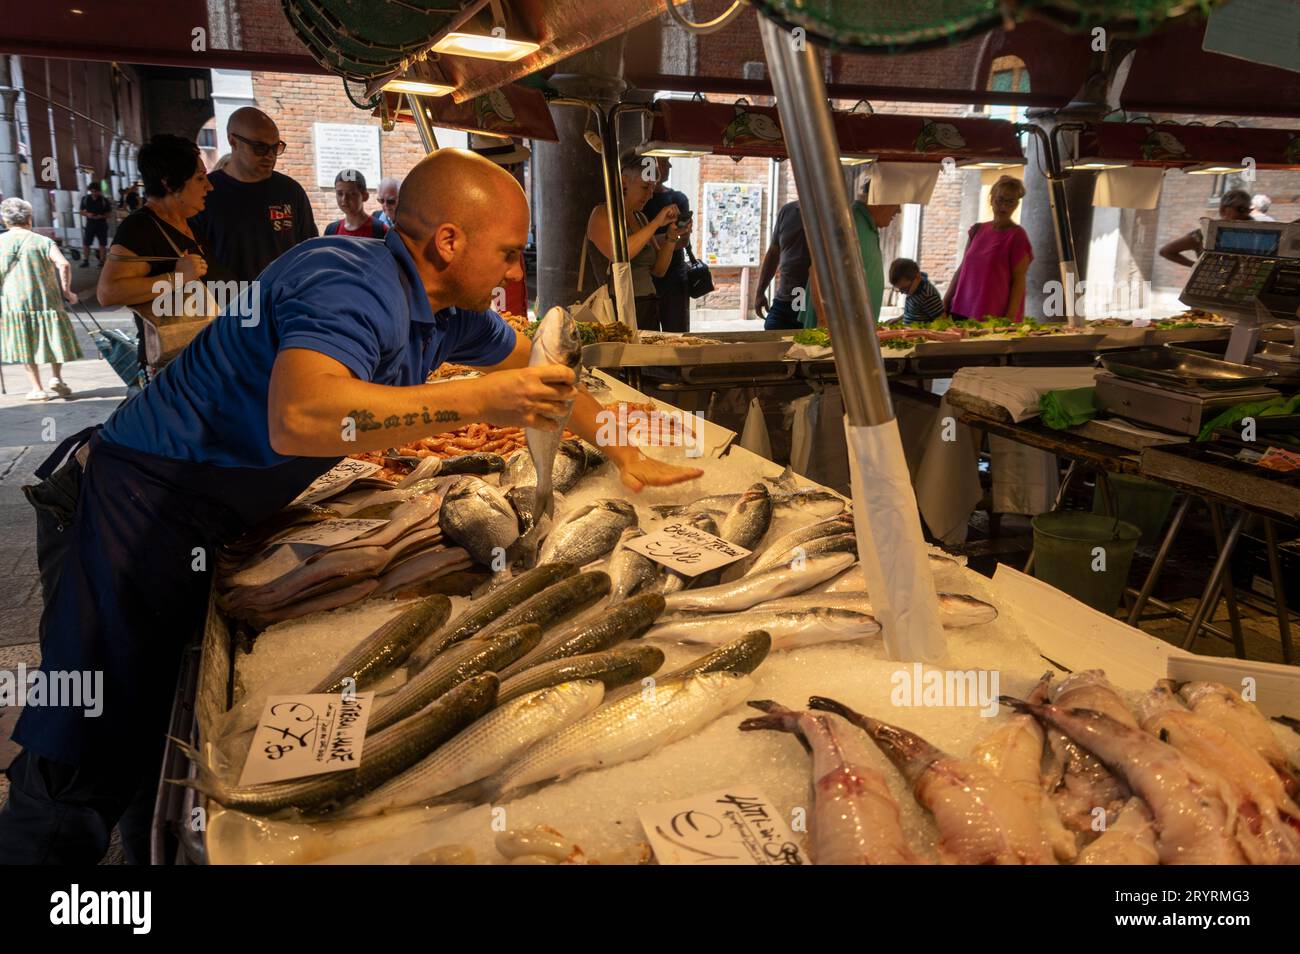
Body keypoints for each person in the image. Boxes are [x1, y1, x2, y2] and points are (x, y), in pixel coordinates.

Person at [0, 148, 702, 864]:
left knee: (150, 726)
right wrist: (473, 398)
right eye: (508, 253)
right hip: (136, 502)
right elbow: (301, 416)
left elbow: (538, 366)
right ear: (449, 242)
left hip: (209, 512)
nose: (515, 273)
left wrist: (624, 448)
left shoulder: (445, 313)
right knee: (85, 738)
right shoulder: (346, 277)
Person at [97, 134, 237, 369]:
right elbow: (108, 293)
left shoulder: (189, 222)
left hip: (207, 361)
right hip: (176, 370)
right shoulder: (140, 228)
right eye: (200, 178)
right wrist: (177, 278)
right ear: (170, 183)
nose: (209, 186)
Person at [191, 106, 317, 282]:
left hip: (282, 300)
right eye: (260, 148)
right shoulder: (205, 193)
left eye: (276, 147)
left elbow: (309, 251)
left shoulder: (290, 191)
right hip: (228, 304)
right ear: (233, 141)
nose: (270, 156)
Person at [585, 150, 690, 333]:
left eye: (652, 188)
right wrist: (657, 223)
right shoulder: (602, 214)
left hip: (647, 304)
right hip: (617, 307)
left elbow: (658, 270)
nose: (649, 195)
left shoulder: (641, 218)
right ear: (624, 182)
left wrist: (671, 237)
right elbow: (620, 254)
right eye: (644, 187)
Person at [0, 197, 82, 400]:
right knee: (53, 335)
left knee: (24, 341)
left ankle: (37, 388)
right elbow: (63, 264)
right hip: (47, 298)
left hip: (14, 301)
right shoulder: (42, 241)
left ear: (5, 221)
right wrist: (67, 292)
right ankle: (56, 378)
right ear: (29, 219)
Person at [805, 185, 900, 328]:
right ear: (880, 199)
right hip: (834, 330)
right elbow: (818, 269)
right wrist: (823, 320)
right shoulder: (849, 224)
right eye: (897, 202)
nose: (899, 210)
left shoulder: (866, 224)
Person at [943, 176, 1033, 321]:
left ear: (1016, 204)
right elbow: (962, 268)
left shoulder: (1017, 236)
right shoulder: (977, 230)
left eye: (1010, 202)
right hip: (961, 307)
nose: (1003, 206)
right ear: (991, 199)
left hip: (993, 314)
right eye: (1000, 200)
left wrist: (1009, 317)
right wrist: (946, 300)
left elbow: (1019, 280)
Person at [641, 157, 692, 333]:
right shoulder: (638, 205)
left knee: (676, 333)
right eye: (664, 160)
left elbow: (683, 240)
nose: (669, 165)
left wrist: (646, 239)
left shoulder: (677, 198)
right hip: (646, 280)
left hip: (673, 276)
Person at [1159, 189, 1253, 268]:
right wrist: (1197, 267)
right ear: (1223, 209)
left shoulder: (1255, 232)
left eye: (1247, 210)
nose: (1245, 214)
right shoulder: (1205, 233)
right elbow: (1166, 251)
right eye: (1241, 209)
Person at [754, 200, 809, 331]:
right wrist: (760, 292)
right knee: (772, 329)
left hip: (811, 303)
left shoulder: (832, 214)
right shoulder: (787, 211)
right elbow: (773, 251)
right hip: (785, 299)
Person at [325, 169, 388, 238]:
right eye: (340, 194)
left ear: (365, 196)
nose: (344, 199)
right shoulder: (331, 231)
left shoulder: (380, 230)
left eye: (352, 194)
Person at [889, 258, 946, 325]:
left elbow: (942, 320)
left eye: (904, 289)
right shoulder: (913, 289)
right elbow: (912, 312)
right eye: (900, 290)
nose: (902, 293)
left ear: (917, 277)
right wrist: (898, 319)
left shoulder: (928, 295)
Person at [78, 181, 113, 268]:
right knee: (86, 243)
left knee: (102, 244)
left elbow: (109, 214)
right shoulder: (85, 199)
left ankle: (102, 261)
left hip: (101, 224)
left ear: (99, 191)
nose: (94, 193)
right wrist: (88, 214)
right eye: (92, 191)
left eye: (96, 191)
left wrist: (101, 216)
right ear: (90, 190)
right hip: (90, 224)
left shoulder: (104, 200)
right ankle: (85, 260)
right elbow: (81, 211)